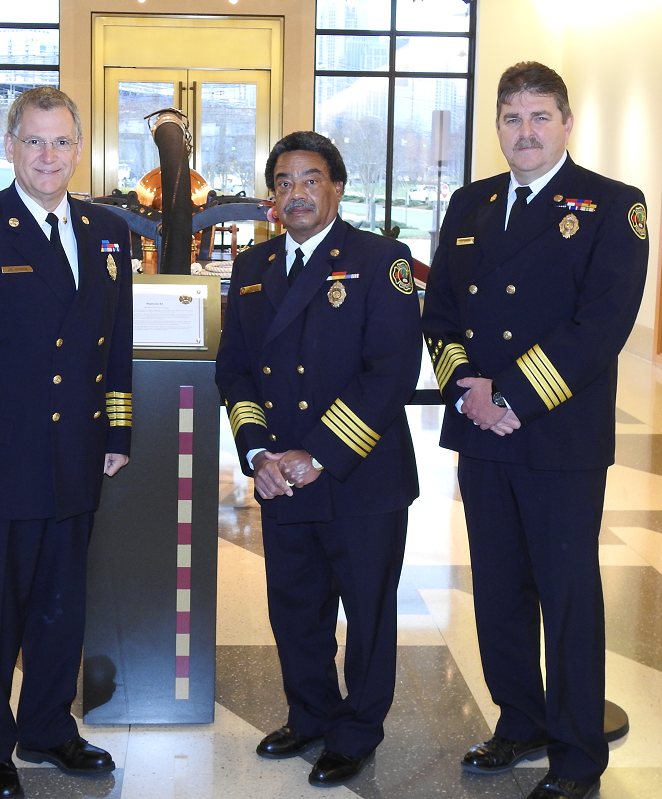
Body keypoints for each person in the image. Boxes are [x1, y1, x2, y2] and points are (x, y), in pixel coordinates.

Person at [421, 61, 649, 799]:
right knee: (496, 587)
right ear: (497, 126)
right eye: (511, 118)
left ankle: (577, 753)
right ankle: (517, 720)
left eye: (538, 116)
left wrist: (513, 395)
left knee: (567, 594)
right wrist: (469, 390)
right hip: (482, 433)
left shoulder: (613, 205)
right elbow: (440, 314)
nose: (524, 131)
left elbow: (600, 325)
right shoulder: (470, 203)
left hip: (557, 436)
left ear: (566, 123)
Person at [0, 86, 132, 799]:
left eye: (61, 141)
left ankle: (47, 728)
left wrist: (117, 427)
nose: (48, 156)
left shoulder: (107, 232)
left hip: (75, 455)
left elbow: (116, 341)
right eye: (34, 141)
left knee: (60, 605)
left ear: (79, 147)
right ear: (9, 146)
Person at [215, 131, 421, 788]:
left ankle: (356, 729)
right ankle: (308, 712)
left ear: (335, 187)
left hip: (359, 474)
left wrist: (318, 453)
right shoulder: (251, 268)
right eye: (282, 181)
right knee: (295, 605)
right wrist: (257, 452)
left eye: (308, 179)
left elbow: (390, 370)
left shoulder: (381, 259)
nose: (295, 193)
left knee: (365, 611)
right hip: (282, 477)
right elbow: (235, 372)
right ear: (270, 196)